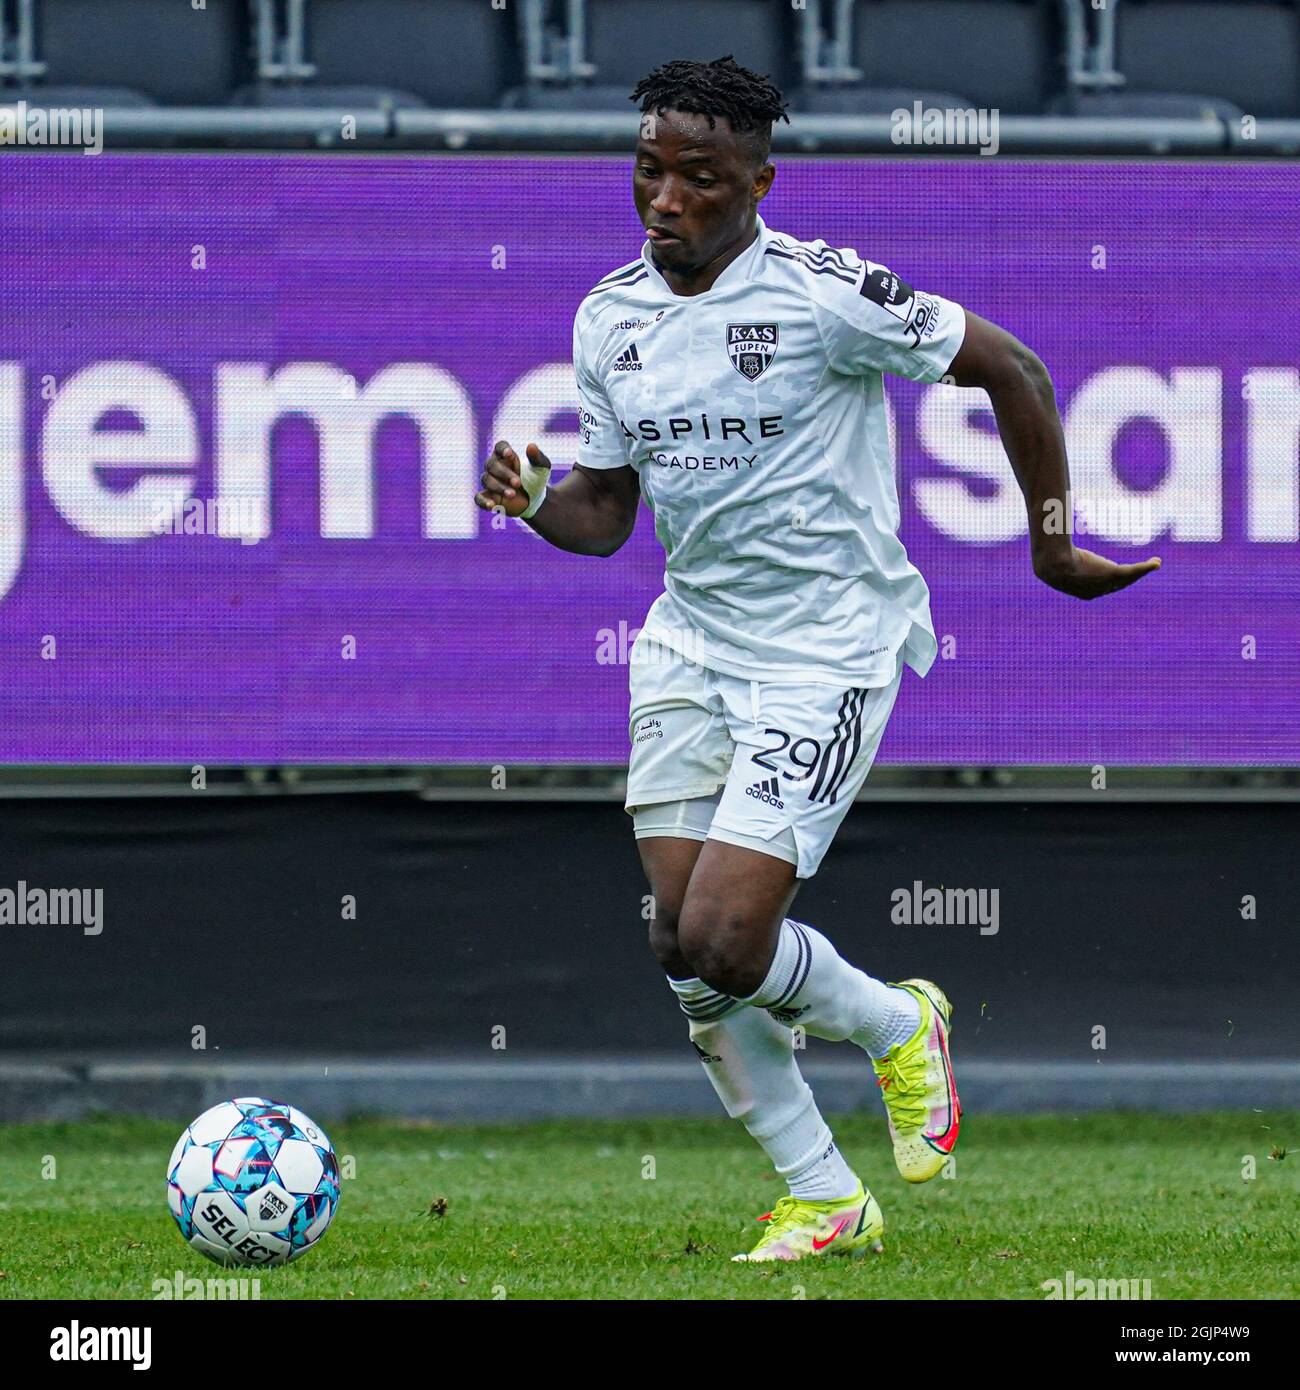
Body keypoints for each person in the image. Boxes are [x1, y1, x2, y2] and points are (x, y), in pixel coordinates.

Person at [474, 56, 1159, 1262]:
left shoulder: (824, 293)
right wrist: (536, 497)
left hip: (826, 645)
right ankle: (822, 1193)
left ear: (756, 184)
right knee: (676, 940)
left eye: (699, 177)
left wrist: (1051, 544)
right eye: (649, 171)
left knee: (731, 943)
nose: (665, 198)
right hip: (689, 641)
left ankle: (898, 1023)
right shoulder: (607, 318)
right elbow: (607, 516)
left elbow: (1016, 370)